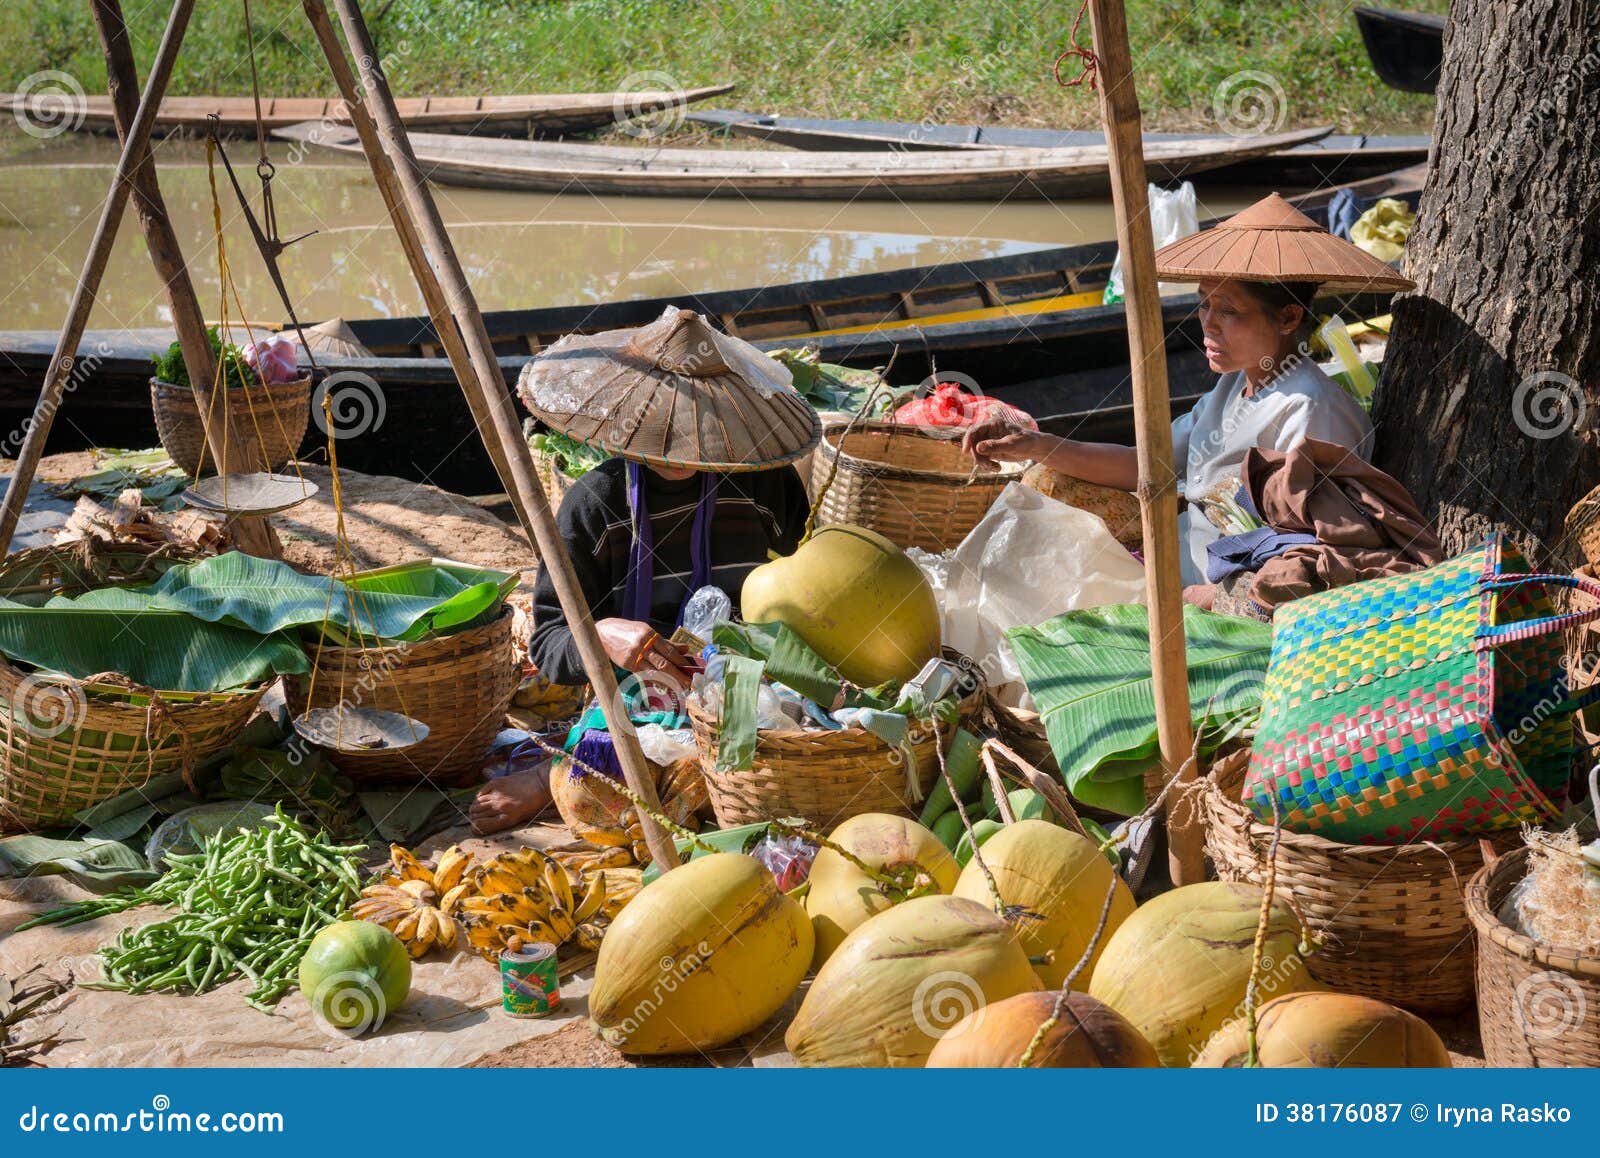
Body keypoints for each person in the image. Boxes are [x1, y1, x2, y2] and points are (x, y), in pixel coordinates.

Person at [962, 193, 1414, 605]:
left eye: (1230, 311)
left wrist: (1208, 597)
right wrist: (1037, 444)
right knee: (1046, 481)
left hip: (1228, 593)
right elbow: (1148, 464)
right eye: (1204, 305)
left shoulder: (1312, 409)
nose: (1208, 325)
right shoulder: (1232, 387)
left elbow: (1315, 551)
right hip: (1173, 561)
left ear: (1288, 317)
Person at [471, 306, 820, 833]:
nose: (680, 443)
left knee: (771, 777)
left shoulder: (766, 487)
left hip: (753, 695)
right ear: (633, 416)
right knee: (604, 796)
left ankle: (572, 773)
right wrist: (600, 636)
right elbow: (549, 645)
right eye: (665, 424)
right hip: (635, 705)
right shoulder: (595, 505)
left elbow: (813, 590)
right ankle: (560, 771)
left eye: (695, 422)